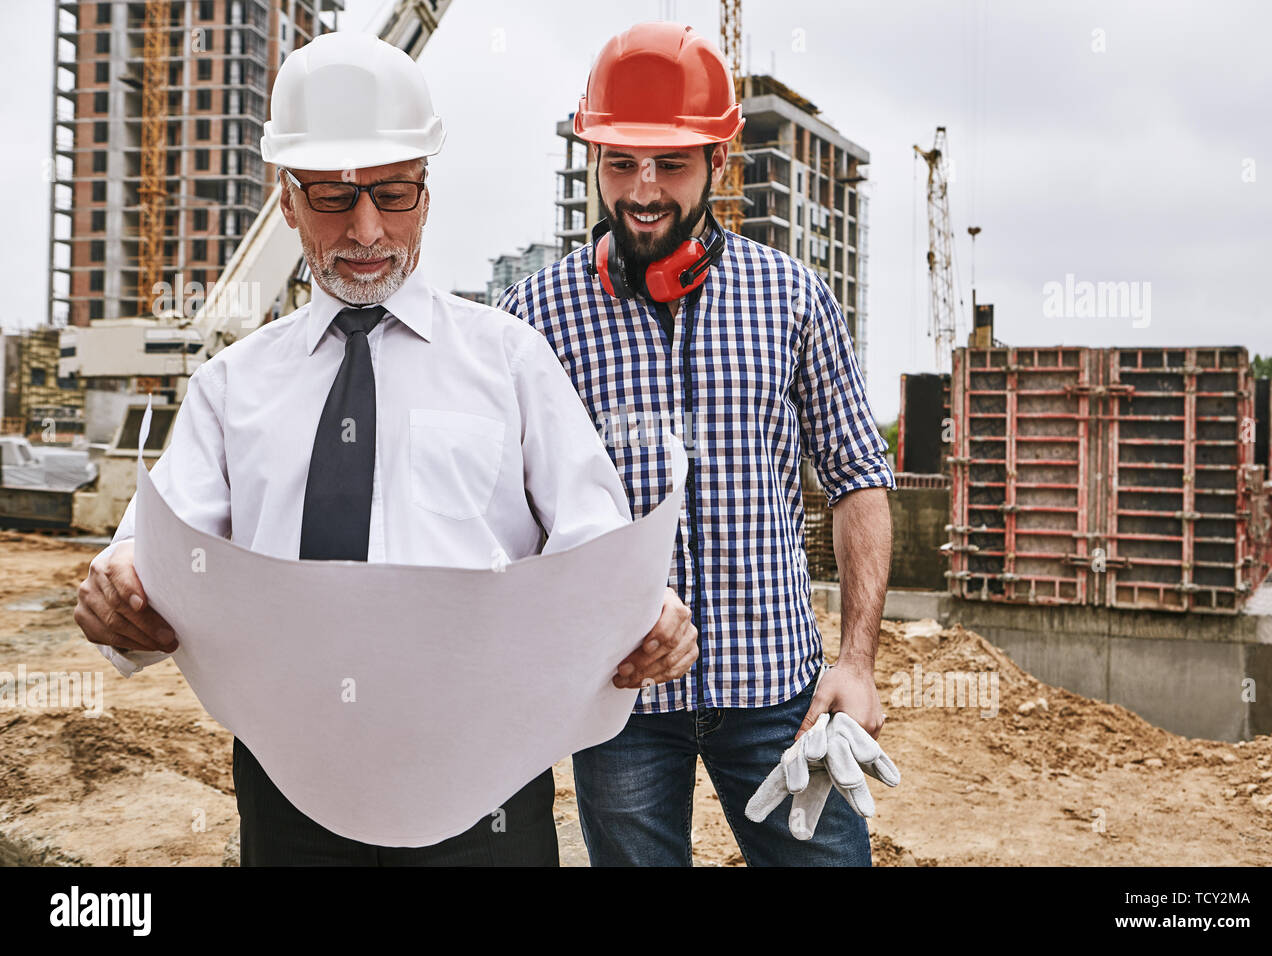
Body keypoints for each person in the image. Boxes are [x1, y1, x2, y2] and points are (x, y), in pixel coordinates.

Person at [73, 31, 698, 867]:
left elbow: (594, 540)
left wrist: (642, 612)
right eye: (333, 198)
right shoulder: (233, 385)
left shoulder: (509, 361)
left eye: (393, 194)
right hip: (289, 783)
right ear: (287, 201)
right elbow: (155, 559)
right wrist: (119, 597)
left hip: (486, 782)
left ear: (427, 195)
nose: (367, 229)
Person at [497, 21, 896, 866]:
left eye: (669, 163)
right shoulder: (534, 318)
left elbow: (859, 474)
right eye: (618, 162)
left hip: (782, 695)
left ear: (722, 157)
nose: (642, 189)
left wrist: (856, 663)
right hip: (622, 704)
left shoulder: (791, 297)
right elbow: (506, 516)